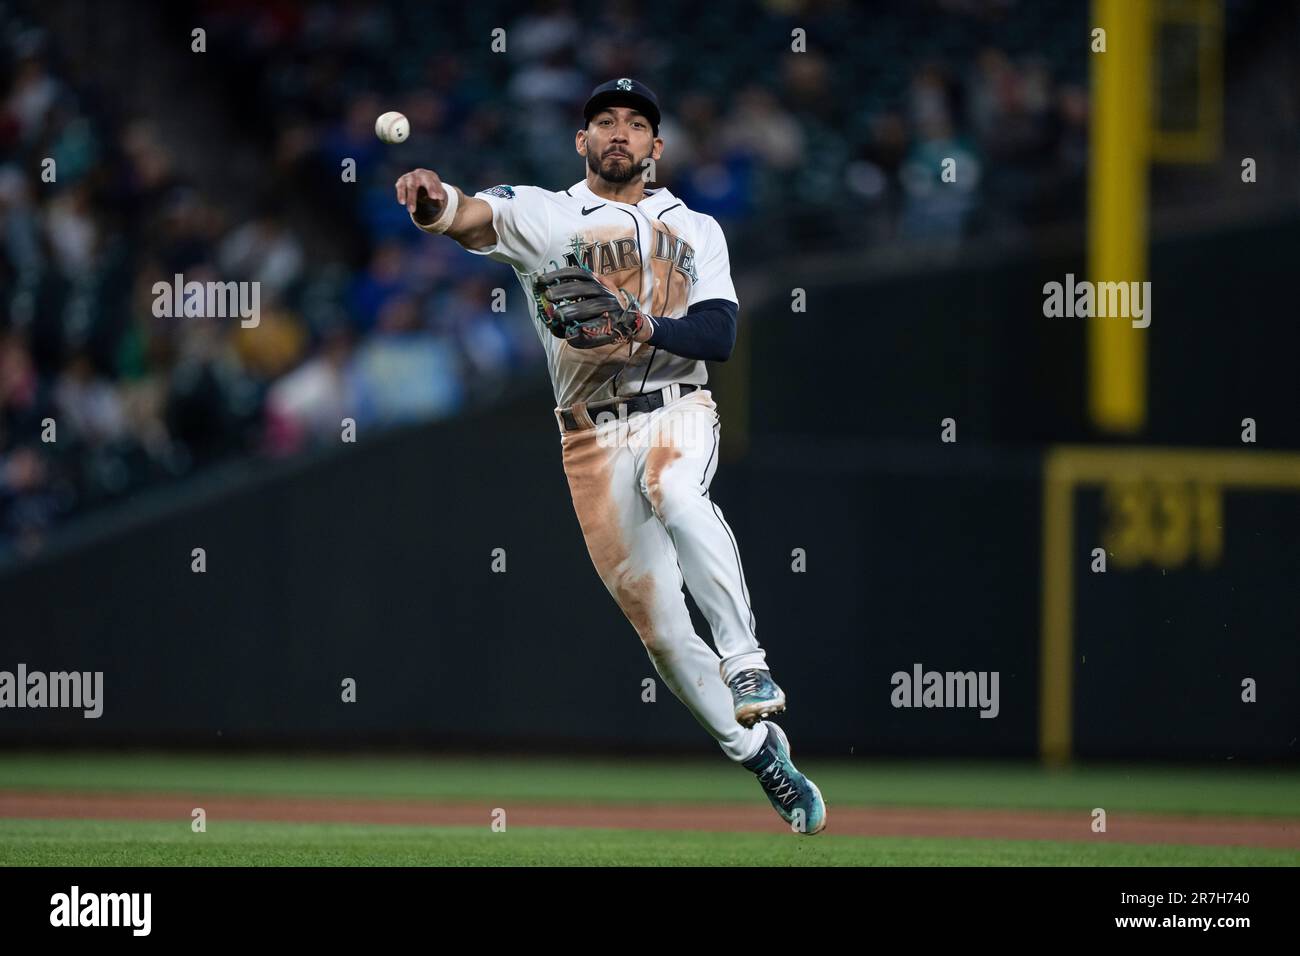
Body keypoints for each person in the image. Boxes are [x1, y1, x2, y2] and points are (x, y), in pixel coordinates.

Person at [395, 79, 826, 834]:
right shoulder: (549, 213)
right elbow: (465, 214)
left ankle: (746, 660)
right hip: (589, 437)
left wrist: (637, 322)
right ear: (581, 142)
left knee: (678, 493)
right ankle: (760, 754)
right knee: (660, 632)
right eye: (604, 122)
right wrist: (430, 199)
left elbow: (718, 336)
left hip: (676, 407)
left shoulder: (696, 228)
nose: (619, 132)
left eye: (635, 123)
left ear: (657, 148)